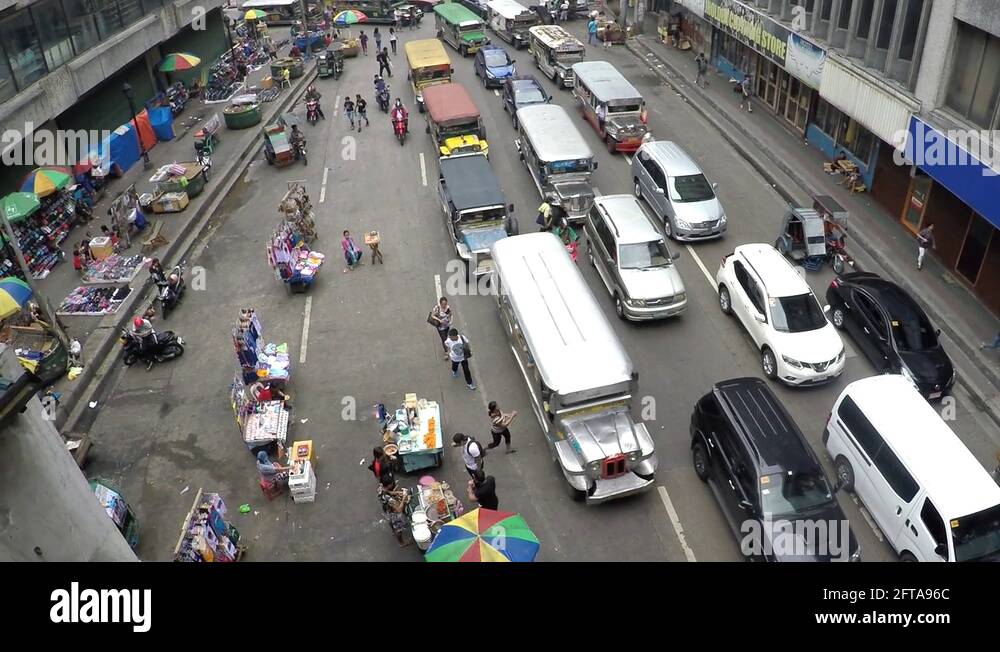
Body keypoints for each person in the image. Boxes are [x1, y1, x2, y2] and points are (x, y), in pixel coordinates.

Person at [377, 476, 411, 545]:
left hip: (386, 510)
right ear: (389, 485)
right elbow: (399, 509)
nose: (393, 484)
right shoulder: (390, 499)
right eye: (392, 484)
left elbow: (387, 492)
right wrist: (403, 499)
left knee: (390, 522)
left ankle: (393, 530)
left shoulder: (380, 488)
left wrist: (396, 493)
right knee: (399, 529)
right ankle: (402, 543)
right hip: (393, 513)